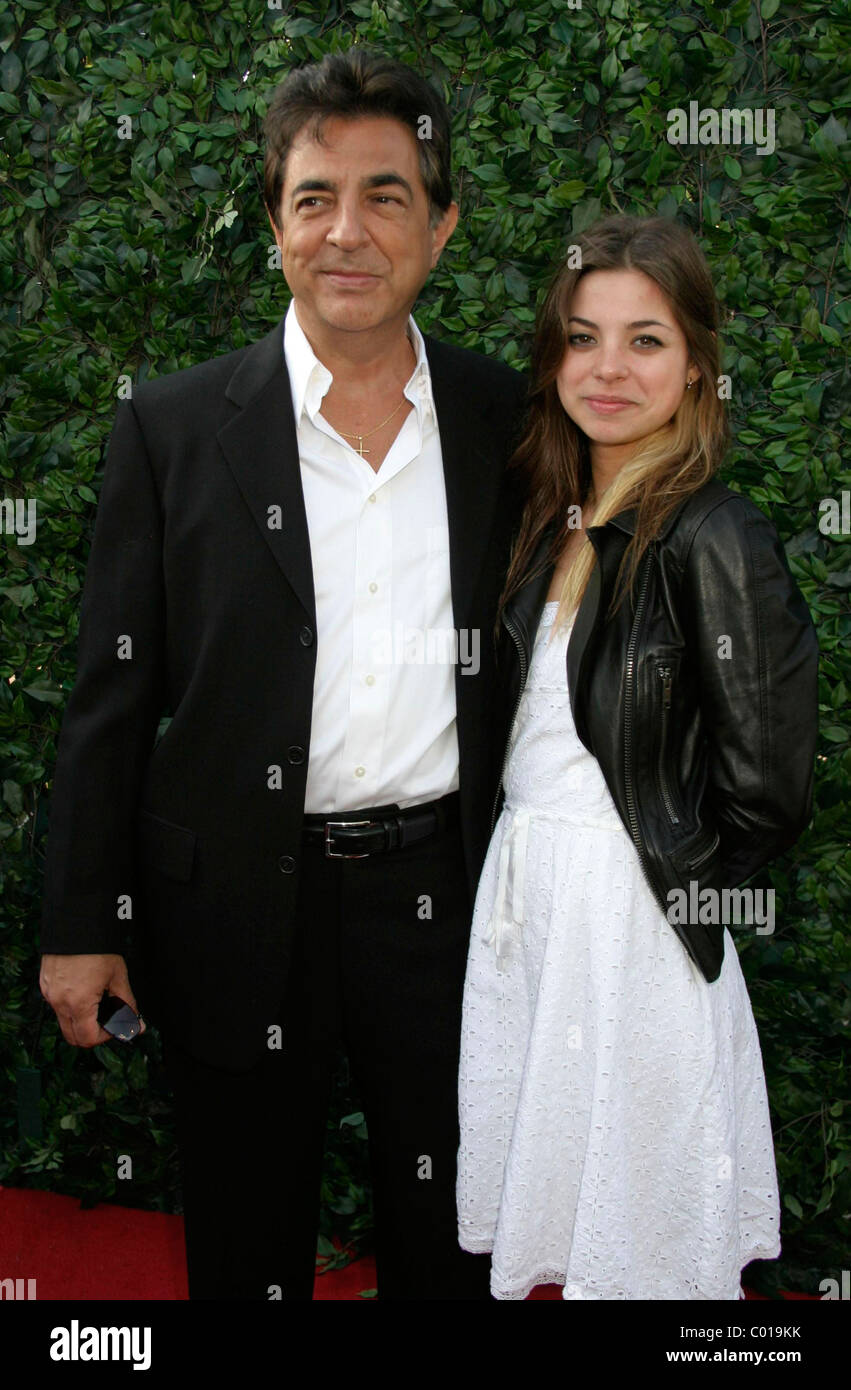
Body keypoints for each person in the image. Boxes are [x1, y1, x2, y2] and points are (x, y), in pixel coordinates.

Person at [38, 46, 526, 1300]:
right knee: (246, 1243)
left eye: (386, 194)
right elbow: (110, 697)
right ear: (274, 225)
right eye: (314, 198)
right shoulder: (172, 427)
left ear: (443, 223)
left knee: (453, 1242)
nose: (347, 231)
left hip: (446, 904)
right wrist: (84, 923)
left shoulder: (507, 425)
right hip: (235, 906)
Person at [456, 213, 819, 1301]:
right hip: (528, 898)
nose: (607, 367)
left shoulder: (715, 533)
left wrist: (661, 889)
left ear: (698, 368)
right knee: (569, 1219)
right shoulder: (550, 518)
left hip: (637, 920)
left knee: (650, 1241)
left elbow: (767, 785)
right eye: (581, 337)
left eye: (645, 339)